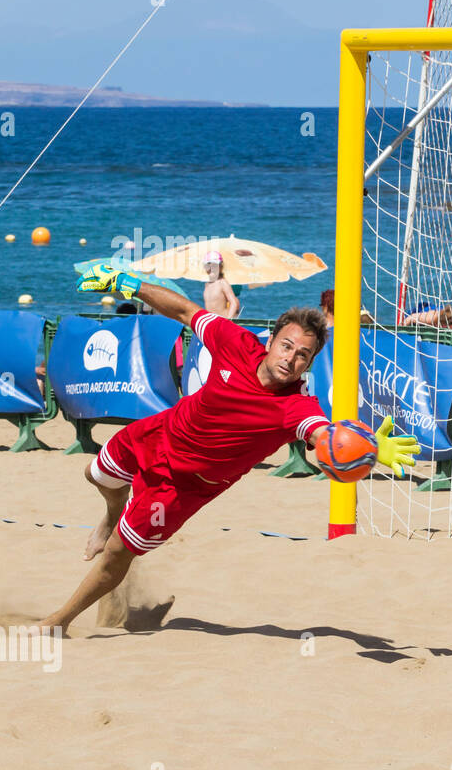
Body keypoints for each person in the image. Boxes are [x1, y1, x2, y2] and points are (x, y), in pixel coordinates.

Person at [36, 264, 421, 634]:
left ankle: (57, 622)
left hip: (183, 487)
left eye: (302, 354)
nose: (291, 357)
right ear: (270, 342)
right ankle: (112, 511)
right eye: (286, 346)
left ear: (310, 362)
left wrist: (366, 448)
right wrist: (128, 283)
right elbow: (186, 310)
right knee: (93, 474)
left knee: (120, 552)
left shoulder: (297, 407)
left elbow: (322, 434)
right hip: (158, 434)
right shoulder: (236, 343)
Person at [201, 251, 240, 320]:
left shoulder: (222, 283)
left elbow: (234, 302)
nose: (211, 268)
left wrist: (228, 320)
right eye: (208, 265)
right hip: (211, 322)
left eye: (215, 265)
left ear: (220, 267)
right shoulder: (207, 284)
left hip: (222, 322)